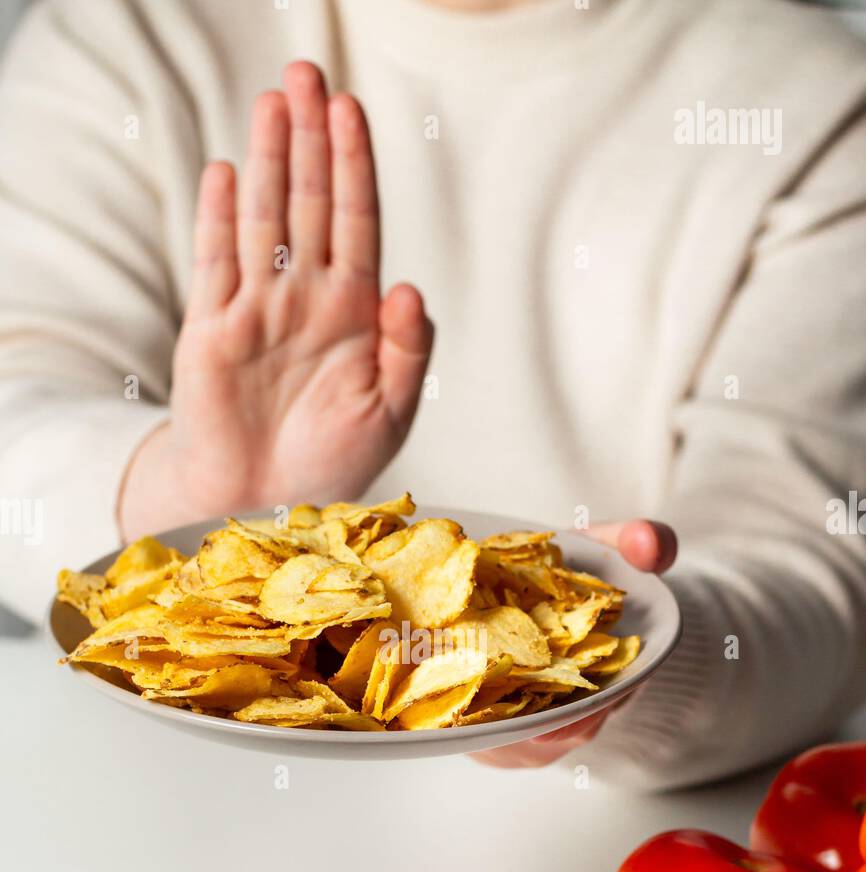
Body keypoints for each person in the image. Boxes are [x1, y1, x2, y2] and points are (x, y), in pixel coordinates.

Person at [0, 0, 864, 786]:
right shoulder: (124, 30)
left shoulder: (816, 102)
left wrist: (611, 661)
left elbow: (822, 582)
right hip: (118, 837)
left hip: (598, 867)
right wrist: (185, 493)